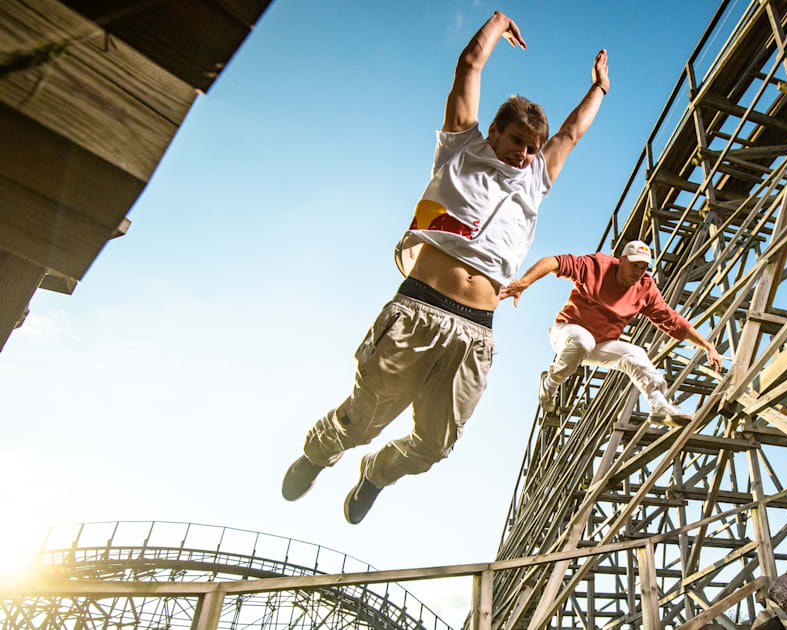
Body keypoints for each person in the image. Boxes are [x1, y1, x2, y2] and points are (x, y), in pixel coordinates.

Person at [281, 10, 610, 524]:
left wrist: (599, 89)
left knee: (435, 444)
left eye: (531, 148)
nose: (524, 155)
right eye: (516, 142)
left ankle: (376, 473)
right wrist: (498, 23)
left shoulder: (535, 179)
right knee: (364, 420)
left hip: (476, 331)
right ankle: (319, 453)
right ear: (494, 131)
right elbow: (469, 67)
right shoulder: (461, 148)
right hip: (420, 309)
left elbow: (570, 134)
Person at [500, 240, 722, 424]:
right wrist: (524, 282)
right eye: (634, 265)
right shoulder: (598, 266)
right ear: (621, 260)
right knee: (583, 341)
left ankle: (659, 405)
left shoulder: (645, 288)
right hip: (567, 331)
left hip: (601, 343)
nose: (638, 272)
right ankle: (549, 384)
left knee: (636, 354)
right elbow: (554, 261)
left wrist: (707, 345)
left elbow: (672, 320)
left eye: (644, 268)